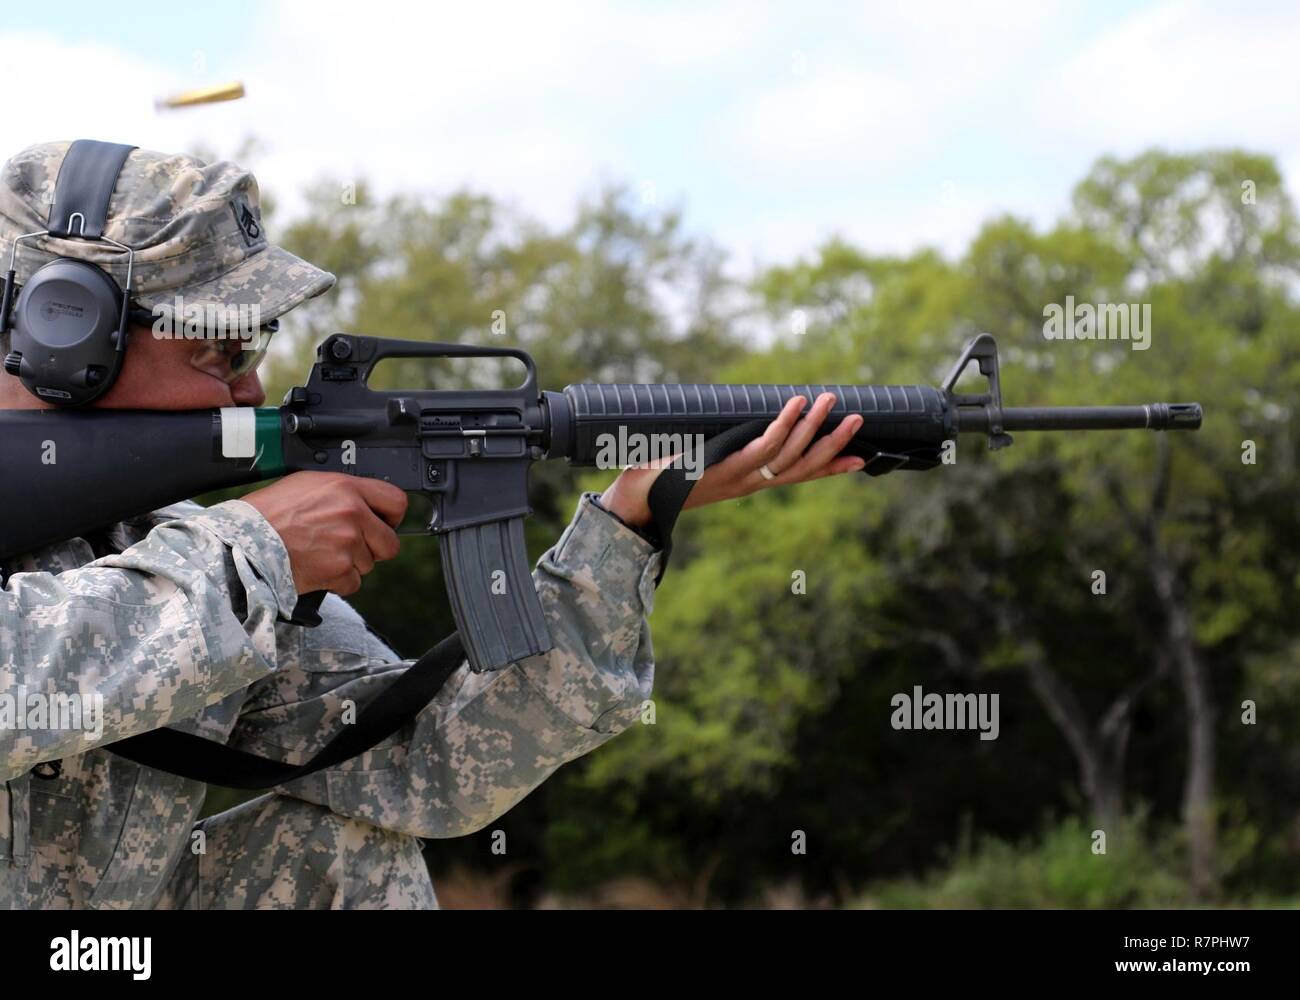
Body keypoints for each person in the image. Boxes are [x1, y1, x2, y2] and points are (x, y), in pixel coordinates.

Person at [0, 140, 867, 909]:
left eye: (257, 351)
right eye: (222, 352)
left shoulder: (166, 543)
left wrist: (628, 523)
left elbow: (433, 766)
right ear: (66, 338)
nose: (252, 390)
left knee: (332, 851)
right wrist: (254, 553)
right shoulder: (221, 562)